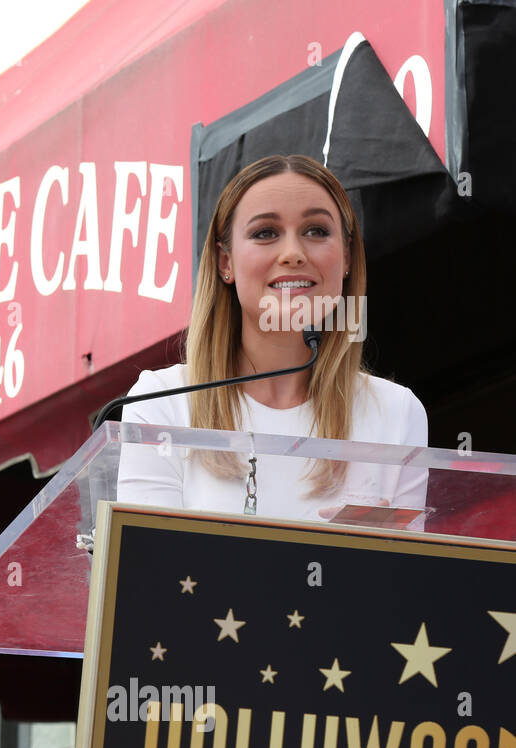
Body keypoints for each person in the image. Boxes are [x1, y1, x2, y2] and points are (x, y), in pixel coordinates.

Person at [116, 154, 428, 520]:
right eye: (265, 233)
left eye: (316, 231)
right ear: (225, 263)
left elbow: (406, 573)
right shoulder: (161, 404)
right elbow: (147, 570)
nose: (293, 253)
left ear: (346, 256)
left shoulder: (396, 412)